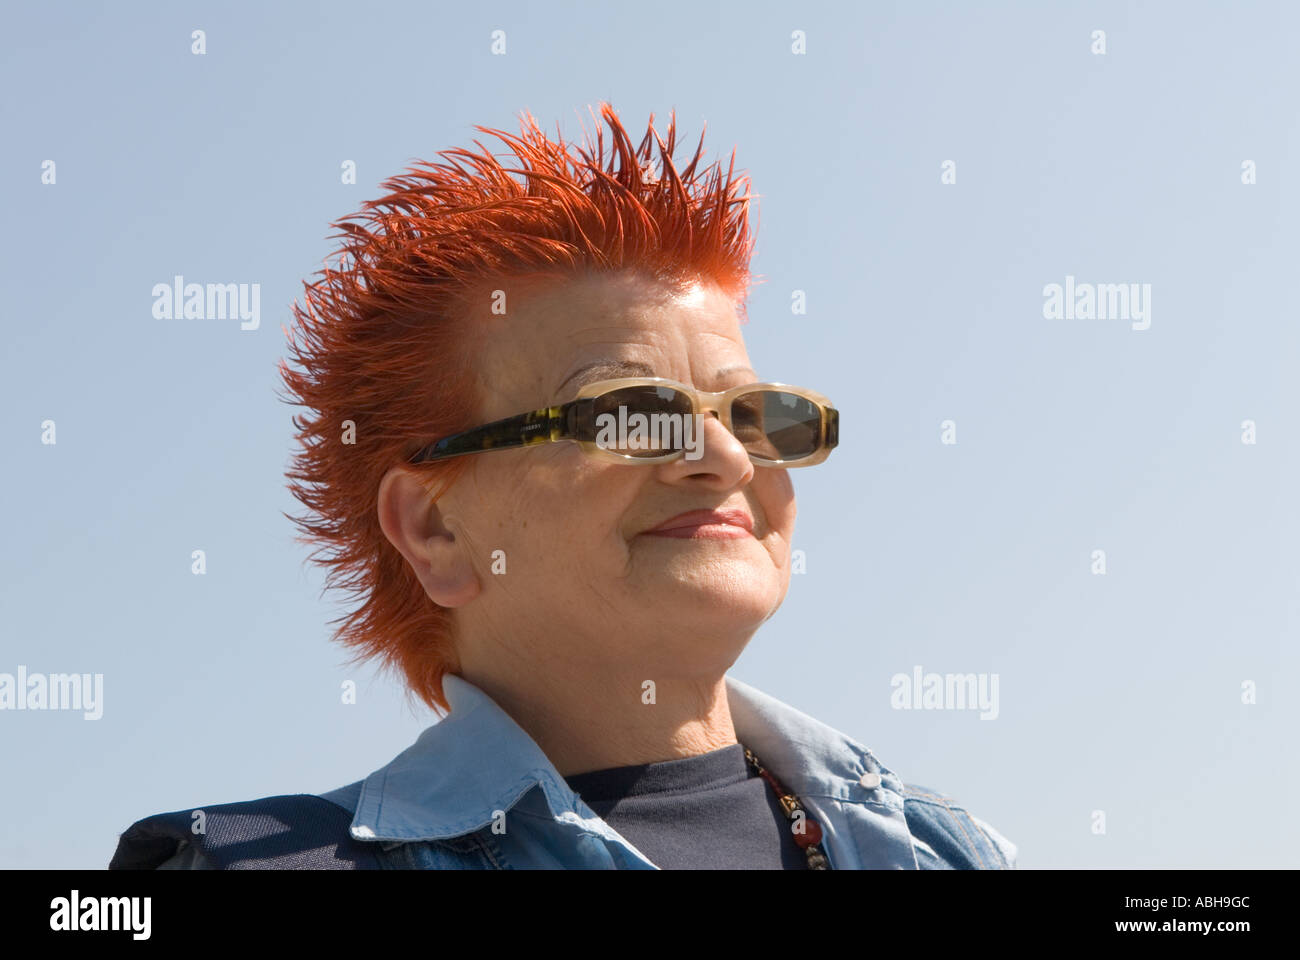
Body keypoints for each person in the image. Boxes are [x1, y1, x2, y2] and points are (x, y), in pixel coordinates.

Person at [110, 103, 1017, 870]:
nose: (728, 460)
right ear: (432, 527)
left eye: (758, 416)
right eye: (628, 414)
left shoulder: (948, 847)